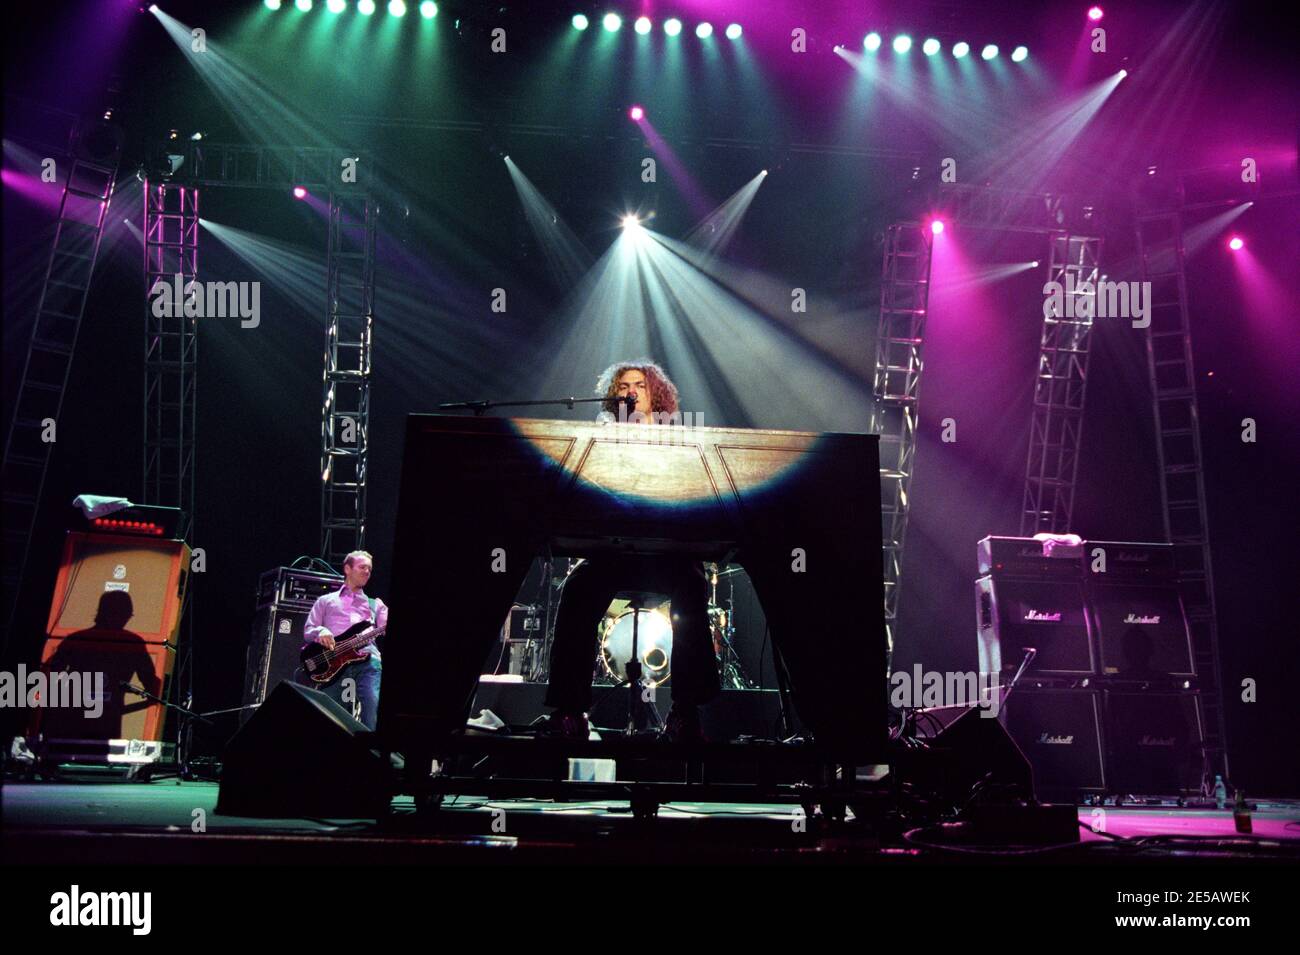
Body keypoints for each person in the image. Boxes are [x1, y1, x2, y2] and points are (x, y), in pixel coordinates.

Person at [539, 359, 719, 742]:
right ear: (612, 394)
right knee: (577, 589)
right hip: (614, 552)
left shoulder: (678, 435)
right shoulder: (600, 436)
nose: (630, 390)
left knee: (691, 584)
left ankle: (685, 711)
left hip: (666, 554)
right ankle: (570, 711)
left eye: (638, 384)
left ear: (656, 392)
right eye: (622, 386)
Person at [303, 551, 386, 730]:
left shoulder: (376, 604)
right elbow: (308, 631)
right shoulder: (326, 601)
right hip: (333, 663)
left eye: (370, 569)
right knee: (329, 717)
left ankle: (370, 753)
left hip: (368, 661)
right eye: (362, 567)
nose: (367, 572)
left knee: (372, 706)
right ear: (347, 569)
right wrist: (321, 630)